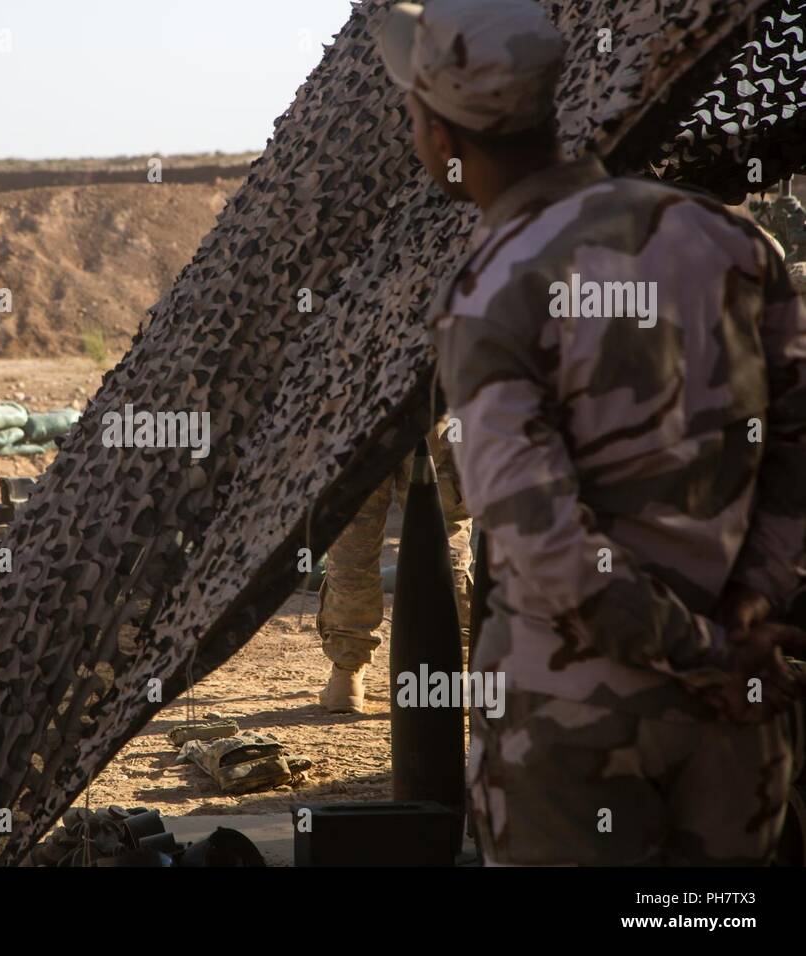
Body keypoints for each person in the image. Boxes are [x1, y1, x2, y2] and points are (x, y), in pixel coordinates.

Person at [379, 0, 806, 863]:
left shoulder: (491, 291)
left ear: (440, 140)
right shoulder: (729, 240)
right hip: (739, 727)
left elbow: (551, 552)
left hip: (575, 741)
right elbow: (795, 449)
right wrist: (751, 612)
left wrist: (703, 651)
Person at [317, 424, 471, 713]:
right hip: (429, 403)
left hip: (359, 406)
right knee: (443, 532)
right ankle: (450, 672)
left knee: (351, 542)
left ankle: (346, 676)